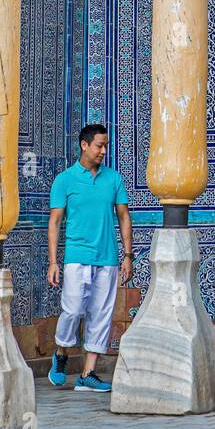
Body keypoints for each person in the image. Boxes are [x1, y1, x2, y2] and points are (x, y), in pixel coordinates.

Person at [46, 123, 133, 392]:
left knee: (101, 314)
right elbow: (55, 221)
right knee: (72, 310)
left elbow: (124, 217)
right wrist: (53, 261)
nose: (104, 151)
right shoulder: (64, 180)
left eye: (105, 145)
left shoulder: (113, 179)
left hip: (107, 258)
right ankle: (61, 352)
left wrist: (127, 255)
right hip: (77, 256)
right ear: (84, 145)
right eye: (99, 145)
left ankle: (88, 373)